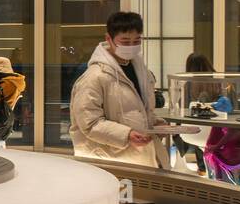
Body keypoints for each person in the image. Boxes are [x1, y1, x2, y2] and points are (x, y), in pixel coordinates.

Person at [69, 11, 167, 168]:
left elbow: (139, 110)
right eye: (125, 42)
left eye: (137, 41)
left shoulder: (141, 70)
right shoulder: (95, 76)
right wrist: (126, 134)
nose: (132, 46)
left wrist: (157, 124)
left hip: (139, 156)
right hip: (108, 160)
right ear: (109, 39)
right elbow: (89, 123)